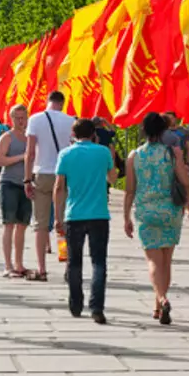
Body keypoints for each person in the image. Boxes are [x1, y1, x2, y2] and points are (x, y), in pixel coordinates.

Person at [123, 112, 184, 324]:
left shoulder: (134, 156)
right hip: (170, 211)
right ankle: (158, 305)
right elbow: (184, 181)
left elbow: (130, 190)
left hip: (146, 211)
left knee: (153, 261)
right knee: (166, 261)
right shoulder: (172, 152)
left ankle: (161, 299)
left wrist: (126, 217)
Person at [56, 118, 117, 324]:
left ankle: (75, 303)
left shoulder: (65, 154)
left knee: (74, 261)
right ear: (94, 134)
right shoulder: (103, 152)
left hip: (74, 214)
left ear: (73, 135)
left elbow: (59, 188)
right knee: (99, 262)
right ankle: (97, 307)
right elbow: (113, 178)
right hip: (99, 213)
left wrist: (57, 216)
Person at [23, 91, 76, 282]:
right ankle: (67, 262)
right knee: (63, 221)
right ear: (62, 103)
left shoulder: (36, 119)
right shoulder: (70, 120)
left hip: (42, 172)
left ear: (48, 101)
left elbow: (29, 152)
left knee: (40, 223)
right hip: (63, 174)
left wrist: (27, 179)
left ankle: (42, 269)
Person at [0, 104, 32, 277]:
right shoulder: (6, 137)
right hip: (9, 183)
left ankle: (19, 263)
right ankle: (7, 264)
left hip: (27, 184)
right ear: (11, 119)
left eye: (23, 117)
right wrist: (21, 157)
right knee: (9, 224)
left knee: (22, 225)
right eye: (17, 117)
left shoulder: (31, 137)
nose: (20, 121)